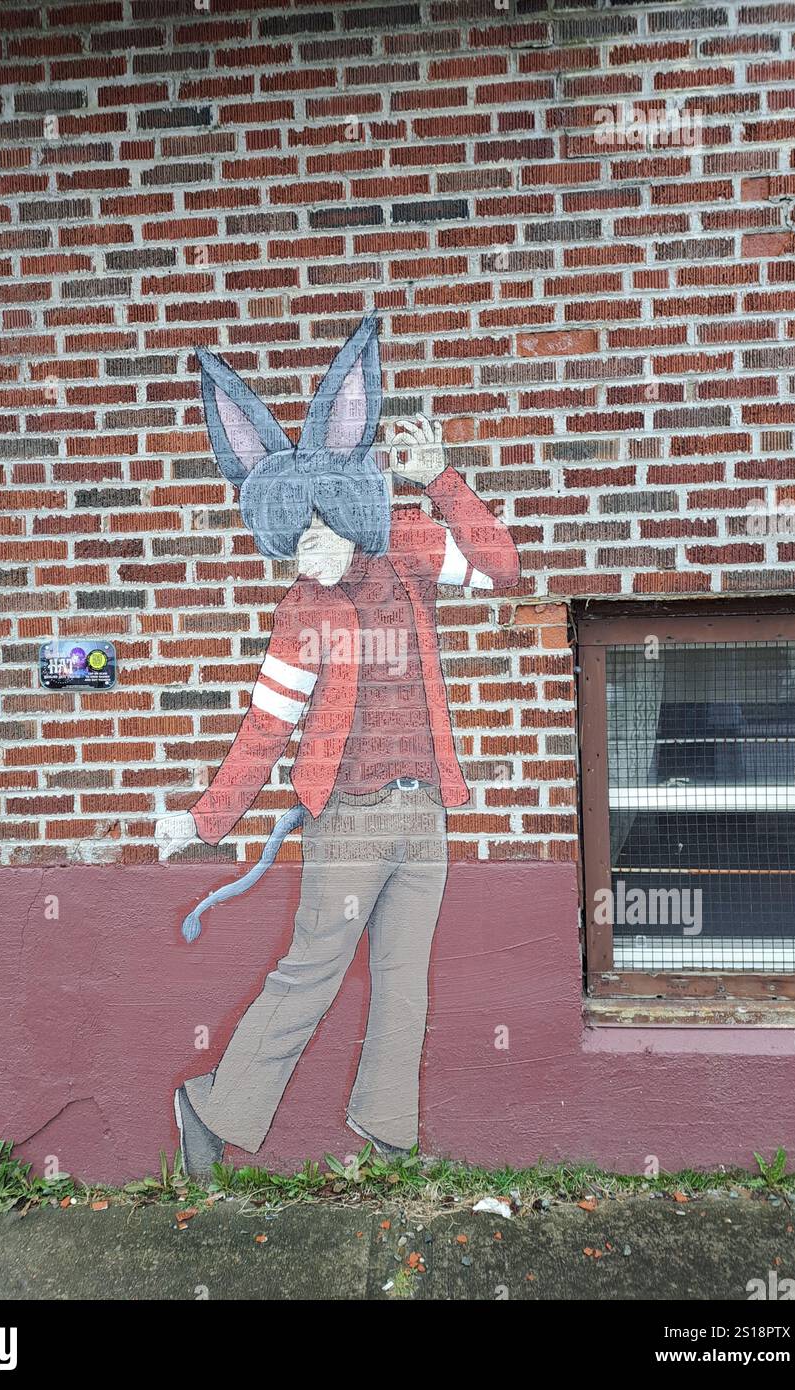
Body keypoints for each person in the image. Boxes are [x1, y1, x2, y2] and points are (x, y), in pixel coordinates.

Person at [154, 314, 520, 1175]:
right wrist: (203, 823)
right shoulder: (302, 613)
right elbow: (265, 728)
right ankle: (211, 1110)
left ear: (353, 505)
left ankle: (388, 1135)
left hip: (424, 809)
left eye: (325, 520)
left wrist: (442, 481)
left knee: (404, 981)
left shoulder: (407, 553)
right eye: (294, 529)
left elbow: (502, 565)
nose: (310, 542)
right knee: (312, 972)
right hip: (348, 821)